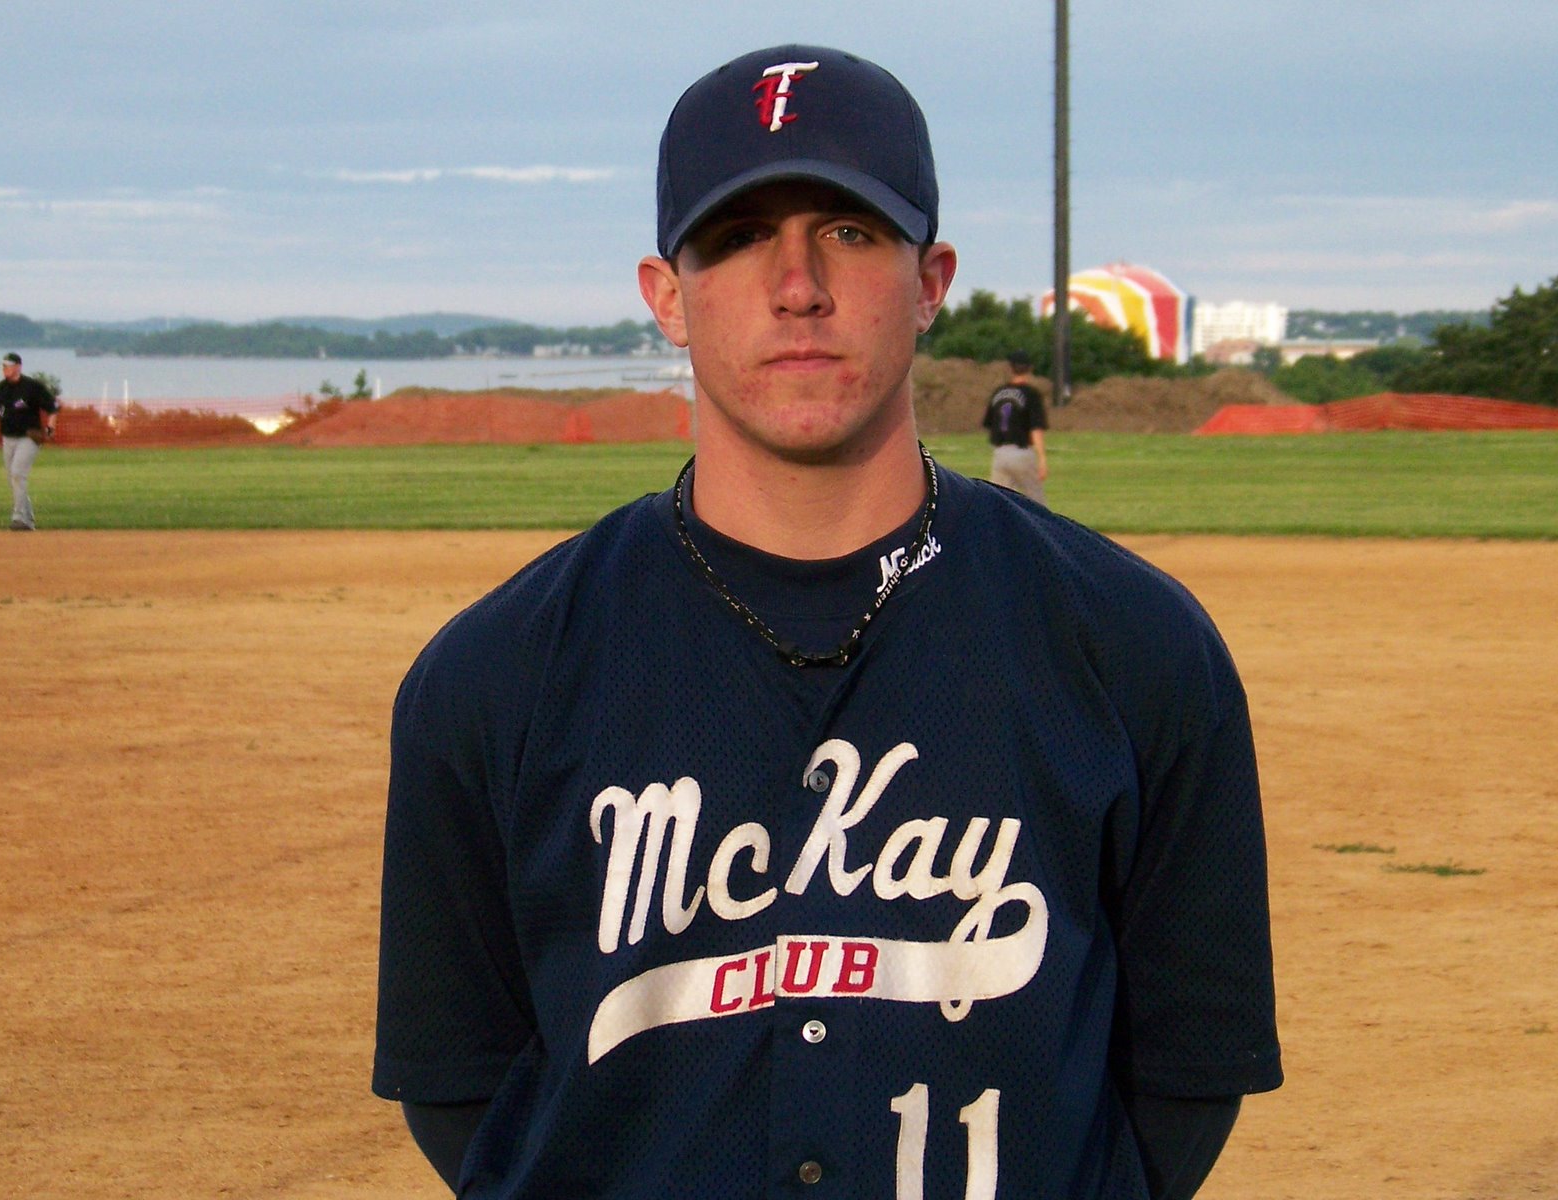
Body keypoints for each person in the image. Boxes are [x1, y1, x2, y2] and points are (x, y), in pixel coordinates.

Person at [374, 44, 1281, 1200]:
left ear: (932, 280)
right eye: (738, 235)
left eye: (849, 231)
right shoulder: (495, 673)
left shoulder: (1133, 645)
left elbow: (1185, 1073)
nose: (796, 285)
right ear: (666, 295)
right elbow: (460, 1086)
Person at [0, 352, 58, 530]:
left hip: (28, 437)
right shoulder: (1, 388)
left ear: (18, 367)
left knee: (18, 474)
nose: (4, 368)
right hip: (8, 438)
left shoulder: (31, 387)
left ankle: (19, 517)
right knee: (14, 479)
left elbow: (52, 407)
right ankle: (28, 520)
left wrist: (50, 427)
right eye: (3, 365)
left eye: (8, 365)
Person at [983, 350, 1049, 504]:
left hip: (1000, 454)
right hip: (1022, 453)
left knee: (998, 504)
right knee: (1037, 505)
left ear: (1010, 368)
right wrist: (1042, 459)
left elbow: (989, 423)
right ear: (1030, 369)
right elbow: (1036, 429)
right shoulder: (1031, 394)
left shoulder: (998, 393)